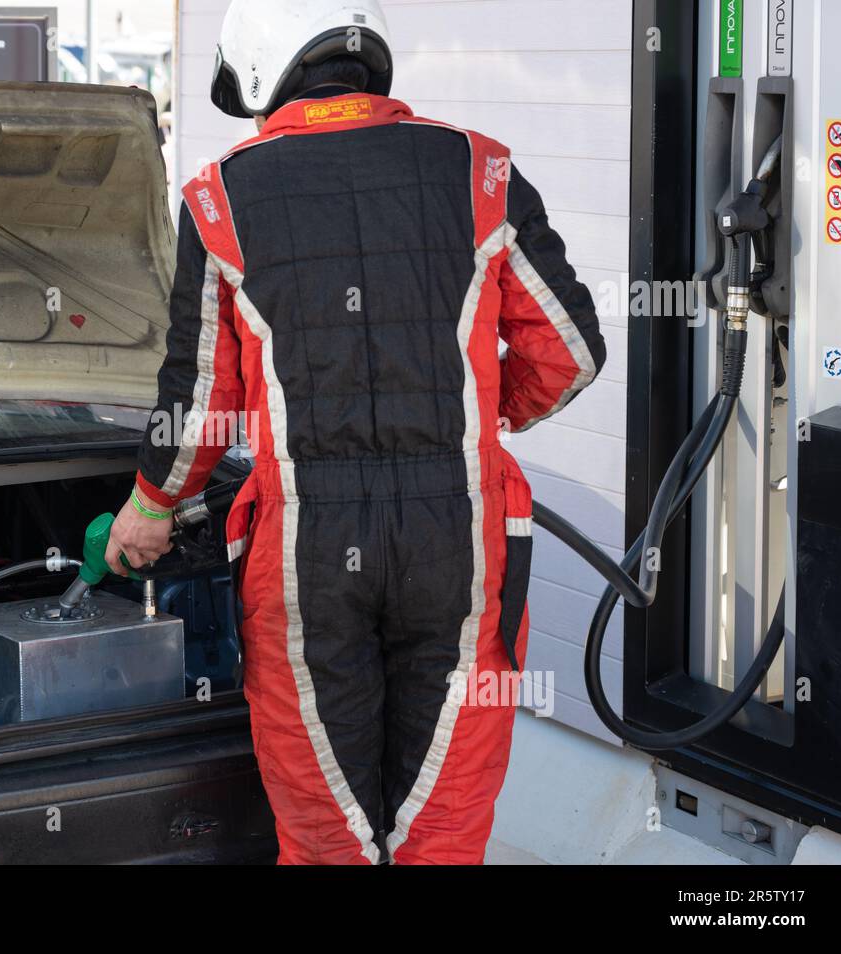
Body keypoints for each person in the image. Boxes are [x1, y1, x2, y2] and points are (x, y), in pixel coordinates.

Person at [105, 0, 606, 864]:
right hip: (462, 540)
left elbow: (198, 407)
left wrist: (149, 505)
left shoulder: (221, 196)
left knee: (326, 834)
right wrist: (469, 423)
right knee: (443, 829)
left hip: (306, 545)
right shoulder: (480, 171)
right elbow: (568, 353)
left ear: (263, 69)